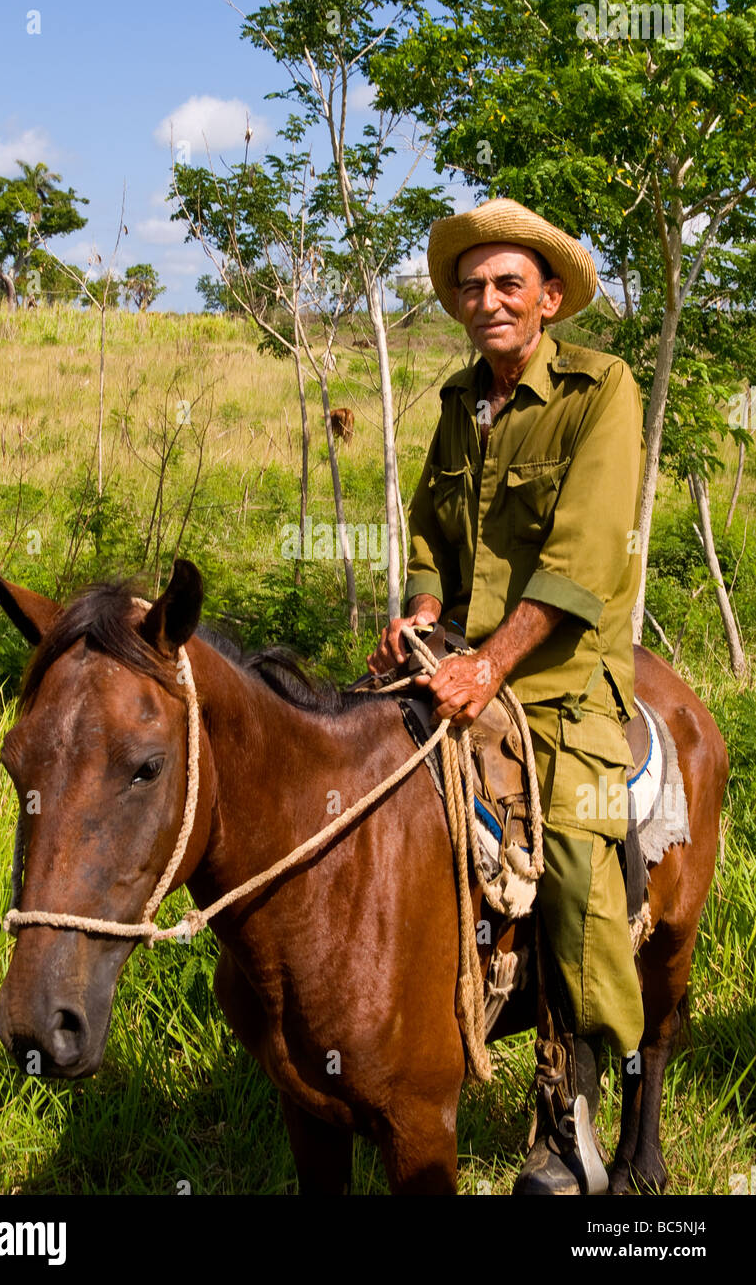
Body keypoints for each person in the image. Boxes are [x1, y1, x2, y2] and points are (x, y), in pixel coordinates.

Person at [367, 198, 646, 1195]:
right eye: (471, 286)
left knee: (572, 868)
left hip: (562, 678)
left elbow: (579, 558)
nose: (485, 300)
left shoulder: (600, 389)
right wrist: (421, 613)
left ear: (550, 298)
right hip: (454, 658)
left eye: (506, 284)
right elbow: (432, 535)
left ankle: (568, 1105)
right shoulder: (454, 399)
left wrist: (492, 665)